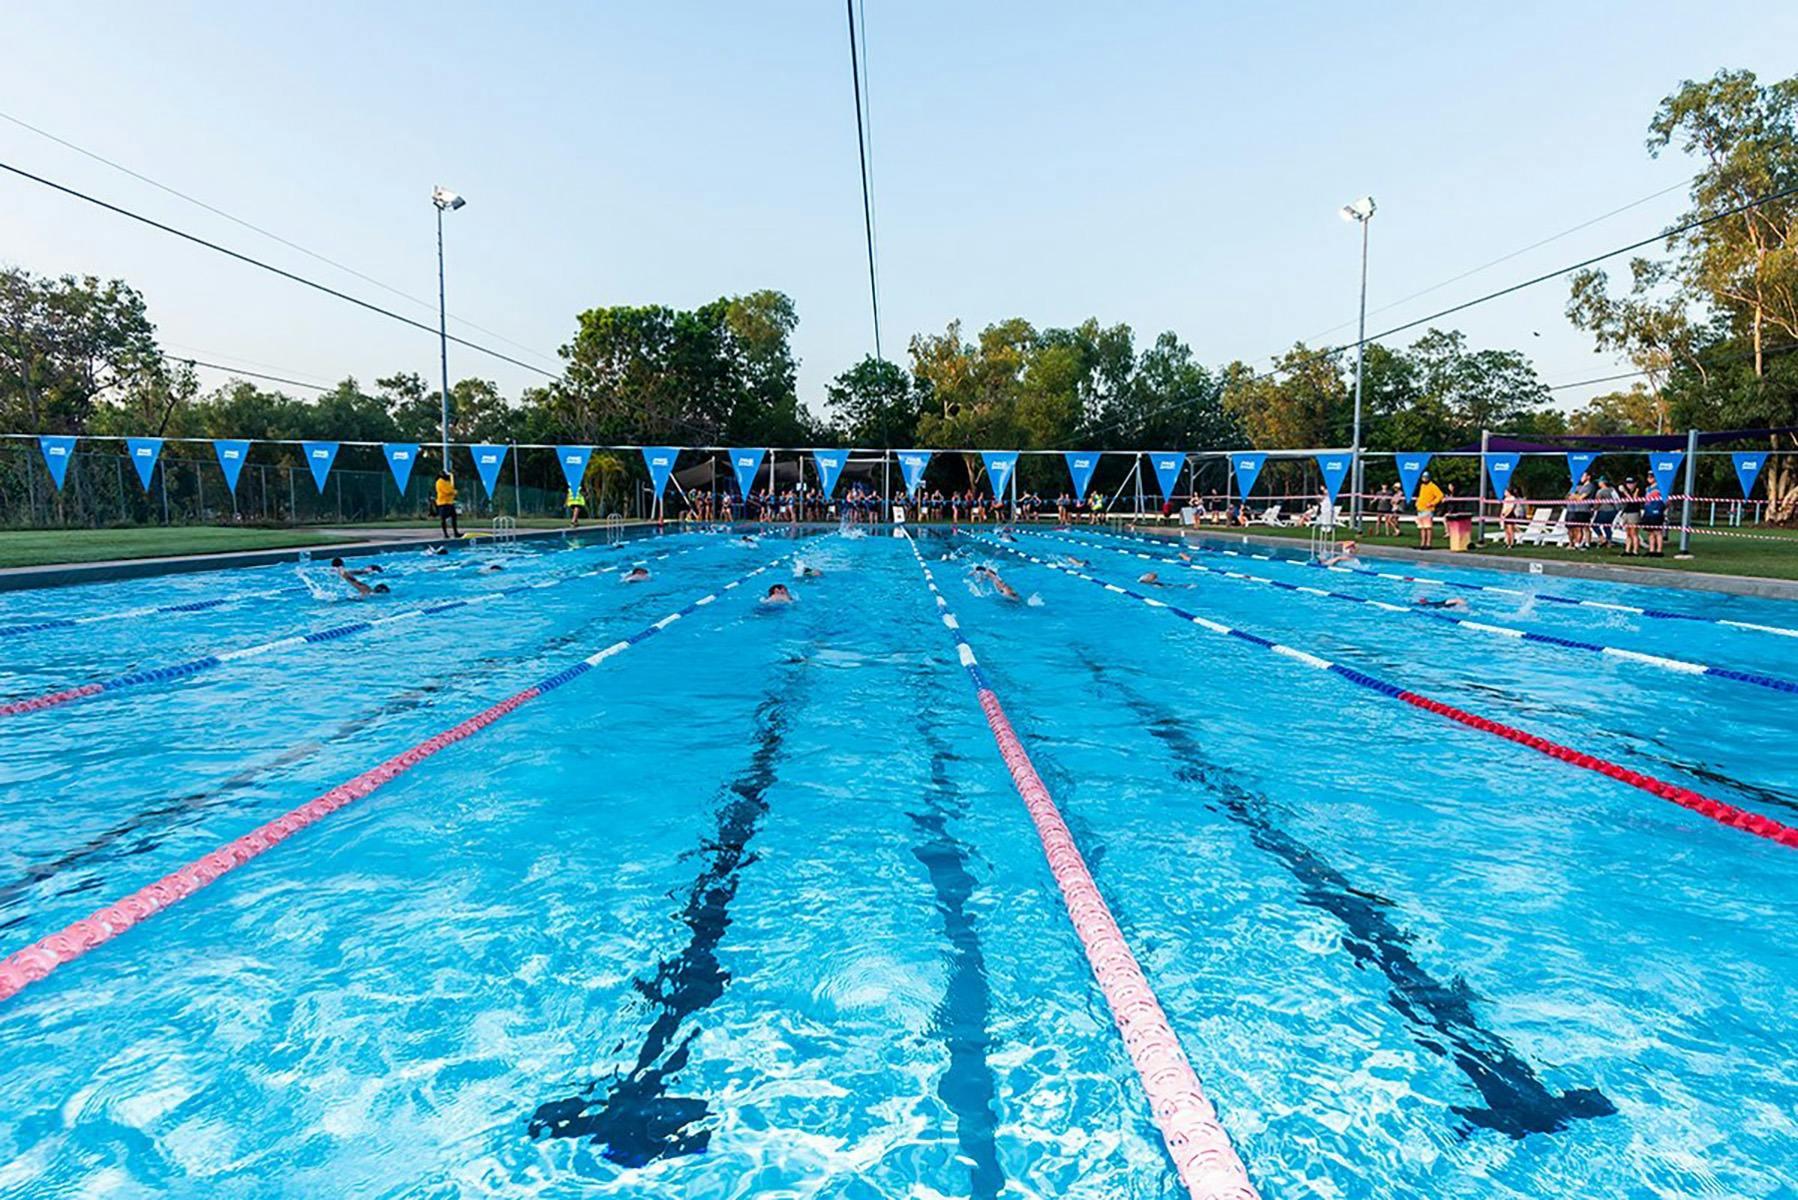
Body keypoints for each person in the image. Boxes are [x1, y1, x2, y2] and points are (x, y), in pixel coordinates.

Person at [1565, 470, 1596, 550]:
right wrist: (1574, 496)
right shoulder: (1576, 487)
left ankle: (1581, 543)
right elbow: (1568, 497)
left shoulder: (1589, 486)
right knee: (1572, 527)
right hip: (1574, 509)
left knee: (1581, 527)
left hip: (1583, 510)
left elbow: (1580, 498)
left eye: (1583, 475)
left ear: (1588, 477)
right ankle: (1572, 543)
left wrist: (1574, 496)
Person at [1415, 472, 1444, 549]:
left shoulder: (1432, 486)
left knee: (1428, 527)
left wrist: (1432, 503)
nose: (1424, 479)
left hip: (1428, 509)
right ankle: (1422, 543)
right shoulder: (1422, 486)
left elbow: (1440, 495)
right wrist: (1417, 503)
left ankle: (1428, 543)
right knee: (1422, 528)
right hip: (1420, 509)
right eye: (1423, 477)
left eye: (1426, 477)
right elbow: (1421, 496)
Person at [1618, 477, 1644, 555]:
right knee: (1628, 533)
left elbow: (1633, 500)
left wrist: (1625, 492)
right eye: (1628, 483)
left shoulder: (1637, 490)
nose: (1629, 485)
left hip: (1634, 512)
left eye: (1631, 483)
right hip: (1626, 512)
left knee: (1634, 532)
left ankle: (1635, 550)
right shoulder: (1624, 491)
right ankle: (1627, 549)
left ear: (1635, 483)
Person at [1591, 476, 1619, 549]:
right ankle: (1609, 542)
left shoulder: (1600, 491)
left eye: (1599, 482)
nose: (1598, 483)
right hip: (1613, 510)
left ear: (1602, 482)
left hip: (1603, 510)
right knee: (1607, 526)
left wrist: (1594, 509)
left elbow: (1597, 502)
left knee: (1594, 525)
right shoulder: (1612, 490)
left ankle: (1602, 539)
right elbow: (1617, 499)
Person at [1643, 481, 1668, 556]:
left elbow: (1666, 501)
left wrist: (1662, 509)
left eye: (1652, 476)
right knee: (1650, 532)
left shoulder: (1661, 488)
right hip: (1648, 512)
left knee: (1658, 532)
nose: (1650, 479)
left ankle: (1659, 550)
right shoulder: (1648, 489)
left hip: (1657, 512)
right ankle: (1651, 550)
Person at [434, 472, 460, 539]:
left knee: (454, 517)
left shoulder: (447, 482)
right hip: (443, 503)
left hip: (449, 502)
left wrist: (453, 491)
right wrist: (454, 492)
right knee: (443, 519)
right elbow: (447, 491)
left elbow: (451, 488)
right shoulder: (439, 482)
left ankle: (456, 532)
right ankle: (445, 534)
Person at [1499, 483, 1526, 548]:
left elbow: (1511, 508)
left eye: (1505, 491)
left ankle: (1512, 543)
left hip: (1510, 515)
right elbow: (1504, 507)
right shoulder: (1505, 499)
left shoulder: (1512, 498)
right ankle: (1507, 542)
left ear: (1509, 492)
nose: (1504, 493)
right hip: (1504, 514)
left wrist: (1506, 515)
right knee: (1506, 530)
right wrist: (1502, 515)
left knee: (1510, 530)